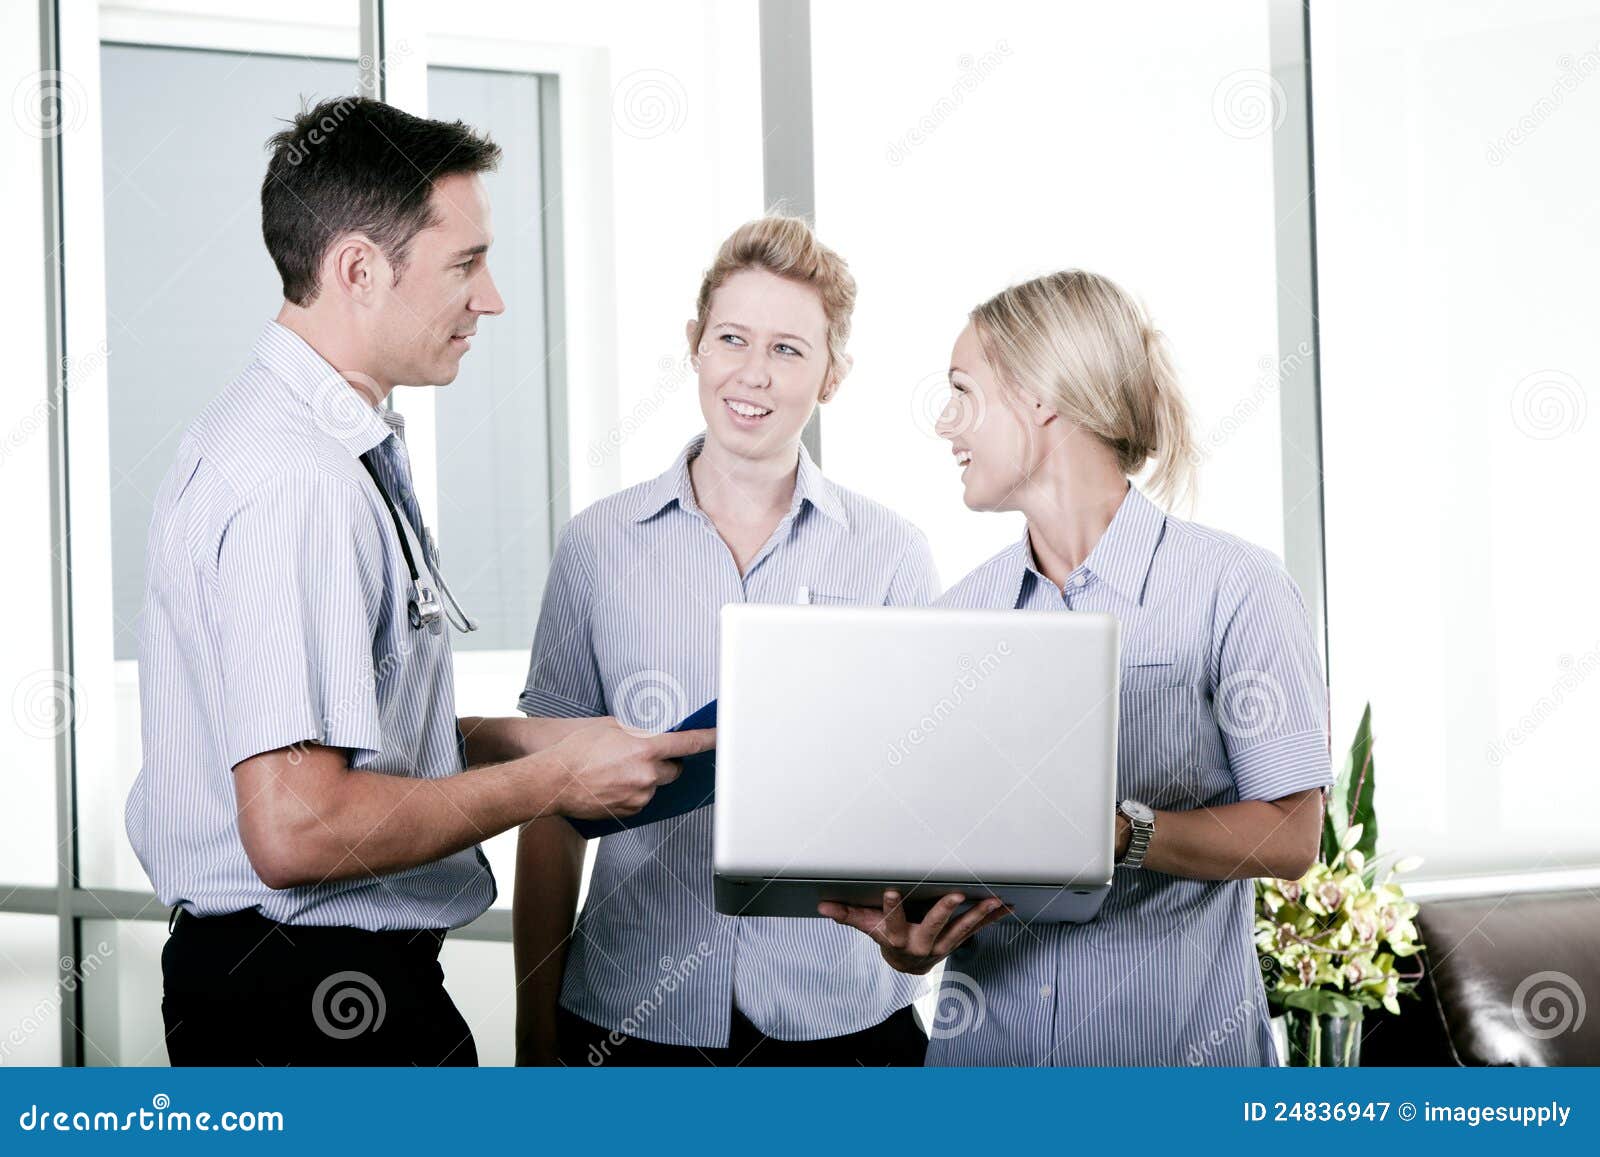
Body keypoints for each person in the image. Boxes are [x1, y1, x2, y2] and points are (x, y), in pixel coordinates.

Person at [126, 97, 711, 1067]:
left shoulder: (297, 444)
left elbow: (340, 743)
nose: (491, 299)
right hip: (315, 1002)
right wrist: (554, 779)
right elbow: (299, 825)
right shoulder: (298, 480)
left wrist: (537, 738)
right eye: (465, 263)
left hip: (296, 986)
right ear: (358, 268)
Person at [823, 270, 1329, 1065]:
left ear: (1039, 397)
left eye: (963, 391)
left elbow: (1294, 834)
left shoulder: (1235, 587)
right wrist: (909, 944)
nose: (945, 423)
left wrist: (1123, 835)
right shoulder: (957, 619)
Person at [513, 215, 939, 1066]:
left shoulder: (891, 552)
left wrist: (913, 938)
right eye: (732, 338)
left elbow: (920, 793)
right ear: (695, 346)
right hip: (632, 1015)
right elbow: (548, 804)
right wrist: (534, 1029)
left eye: (789, 349)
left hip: (843, 1020)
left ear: (834, 374)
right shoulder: (598, 544)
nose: (752, 372)